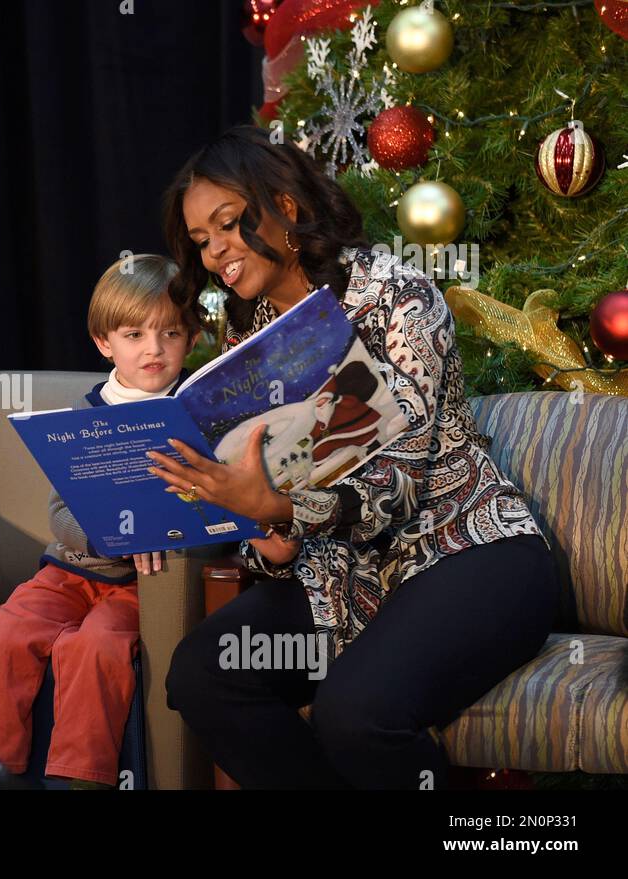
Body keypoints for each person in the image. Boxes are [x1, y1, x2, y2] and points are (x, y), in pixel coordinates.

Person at [154, 126, 558, 789]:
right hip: (349, 581)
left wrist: (283, 507)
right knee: (203, 670)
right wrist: (272, 537)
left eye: (229, 223)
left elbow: (399, 482)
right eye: (202, 240)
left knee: (355, 710)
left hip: (470, 553)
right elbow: (278, 487)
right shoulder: (249, 335)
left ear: (284, 205)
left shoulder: (398, 297)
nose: (216, 250)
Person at [0, 254, 196, 789]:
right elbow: (61, 512)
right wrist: (110, 537)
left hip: (147, 585)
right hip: (70, 572)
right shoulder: (85, 412)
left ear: (190, 337)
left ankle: (82, 779)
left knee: (95, 648)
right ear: (104, 342)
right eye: (134, 334)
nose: (153, 349)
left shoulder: (195, 411)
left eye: (170, 332)